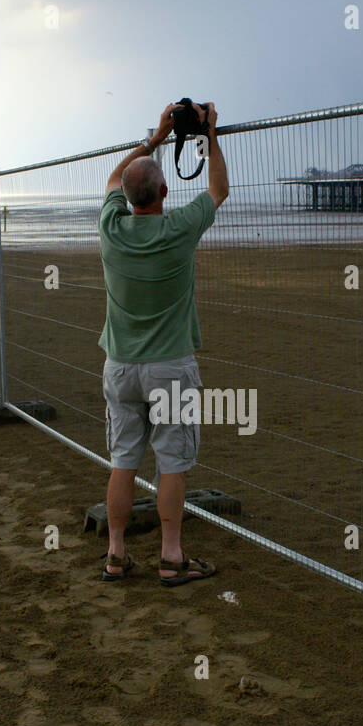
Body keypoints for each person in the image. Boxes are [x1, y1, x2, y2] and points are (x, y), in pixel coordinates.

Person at [96, 101, 228, 586]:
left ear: (130, 198)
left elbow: (113, 180)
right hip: (170, 364)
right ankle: (171, 556)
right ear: (165, 191)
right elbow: (218, 190)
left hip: (121, 366)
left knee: (123, 460)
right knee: (172, 461)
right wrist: (208, 134)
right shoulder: (177, 229)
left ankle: (116, 554)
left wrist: (155, 137)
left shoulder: (111, 228)